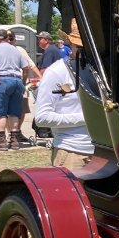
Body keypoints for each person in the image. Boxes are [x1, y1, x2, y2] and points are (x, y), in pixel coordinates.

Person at [33, 20, 94, 169]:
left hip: (106, 153)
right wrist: (87, 119)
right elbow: (42, 118)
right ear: (71, 44)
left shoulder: (101, 72)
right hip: (72, 153)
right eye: (81, 46)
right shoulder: (56, 72)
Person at [0, 29, 32, 150]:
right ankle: (14, 140)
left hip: (2, 80)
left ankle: (1, 140)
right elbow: (26, 68)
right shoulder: (15, 50)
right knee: (14, 112)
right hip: (16, 80)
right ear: (7, 38)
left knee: (0, 112)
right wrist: (23, 82)